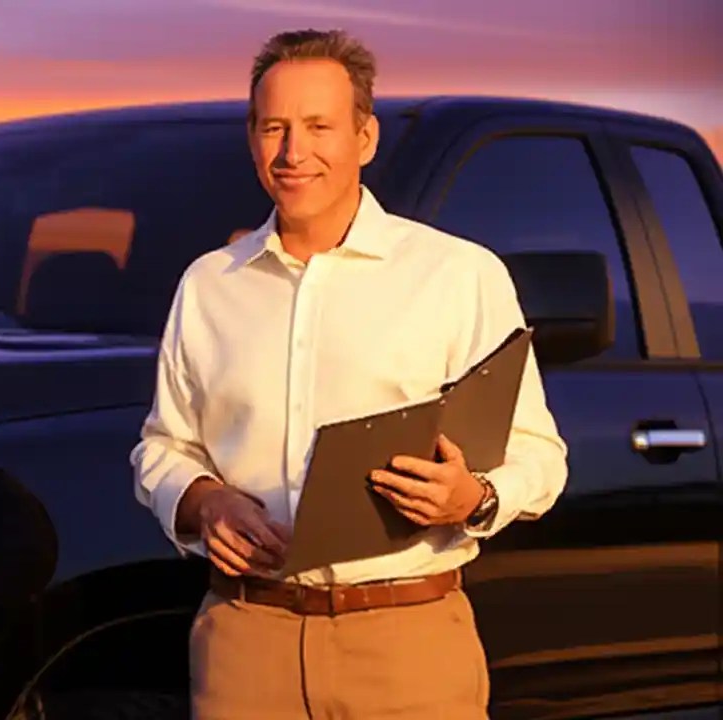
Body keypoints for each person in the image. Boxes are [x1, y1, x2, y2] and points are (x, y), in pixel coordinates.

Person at [130, 28, 568, 719]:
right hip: (245, 643)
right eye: (273, 127)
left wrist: (472, 497)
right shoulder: (209, 286)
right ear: (252, 139)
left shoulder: (458, 275)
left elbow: (539, 455)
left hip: (407, 645)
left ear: (365, 138)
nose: (292, 152)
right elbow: (163, 446)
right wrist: (203, 501)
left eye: (318, 126)